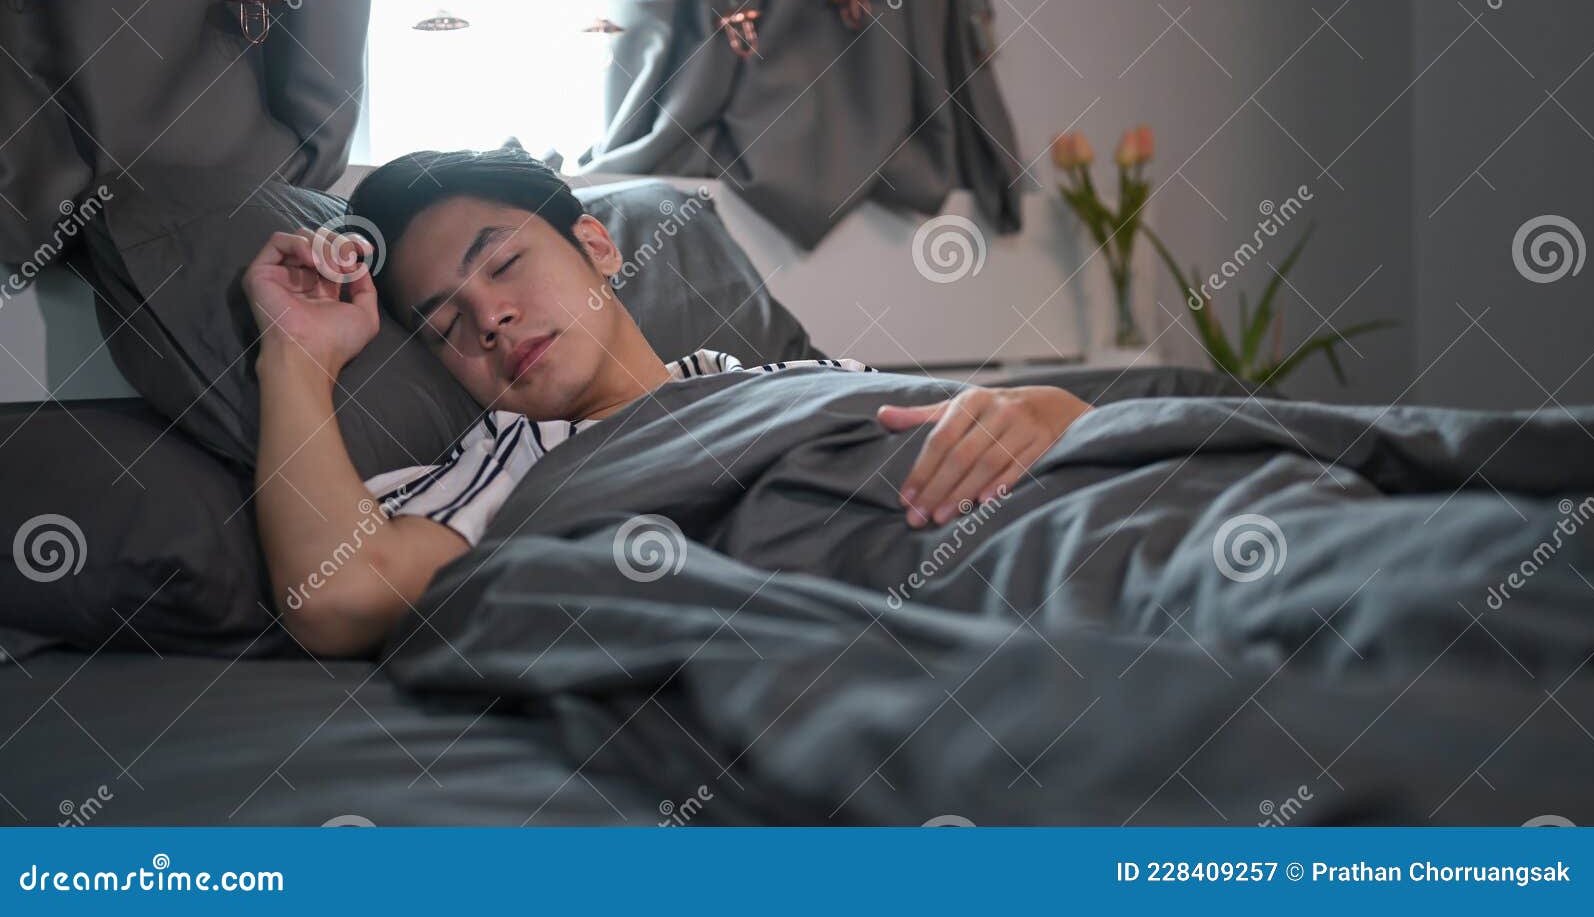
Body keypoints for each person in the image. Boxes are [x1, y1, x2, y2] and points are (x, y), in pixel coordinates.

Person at [243, 148, 1092, 656]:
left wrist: (1053, 412)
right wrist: (296, 354)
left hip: (1060, 542)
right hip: (937, 621)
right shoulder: (521, 458)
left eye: (503, 265)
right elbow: (336, 596)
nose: (490, 318)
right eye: (445, 326)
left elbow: (1026, 436)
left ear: (596, 246)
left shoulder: (785, 384)